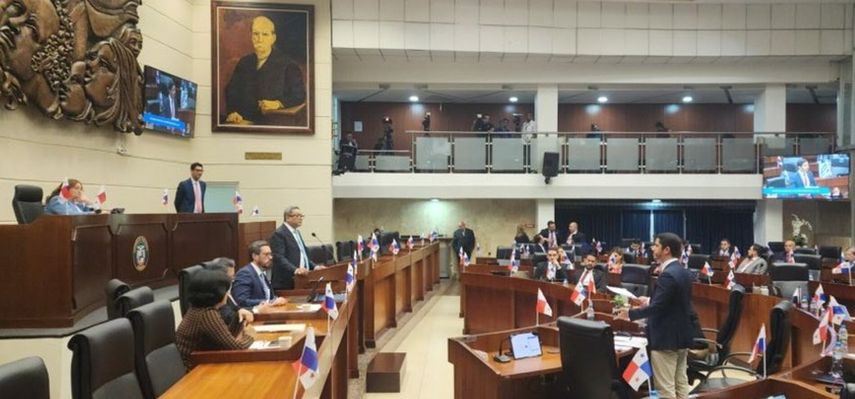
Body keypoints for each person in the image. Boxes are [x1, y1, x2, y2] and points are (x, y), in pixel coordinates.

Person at [617, 233, 694, 399]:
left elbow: (658, 308)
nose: (653, 248)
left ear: (666, 250)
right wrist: (651, 299)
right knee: (680, 383)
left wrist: (629, 314)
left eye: (656, 245)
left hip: (666, 338)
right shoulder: (683, 271)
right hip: (681, 335)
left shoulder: (667, 274)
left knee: (665, 389)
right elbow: (673, 301)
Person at [224, 16, 306, 125]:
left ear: (273, 38)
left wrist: (278, 103)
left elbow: (298, 95)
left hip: (270, 124)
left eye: (265, 34)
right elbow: (231, 91)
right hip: (241, 122)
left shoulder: (289, 65)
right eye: (256, 34)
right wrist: (232, 112)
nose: (259, 39)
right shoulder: (244, 62)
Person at [175, 269, 254, 370]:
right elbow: (237, 348)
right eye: (226, 291)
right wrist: (250, 336)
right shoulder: (207, 314)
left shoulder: (198, 309)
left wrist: (238, 320)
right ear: (217, 293)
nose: (227, 295)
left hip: (203, 364)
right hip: (195, 372)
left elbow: (224, 339)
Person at [269, 206, 324, 290]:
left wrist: (315, 267)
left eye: (302, 216)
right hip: (287, 281)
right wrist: (295, 270)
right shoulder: (279, 234)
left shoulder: (296, 232)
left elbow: (303, 255)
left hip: (301, 279)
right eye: (298, 216)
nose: (301, 218)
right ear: (288, 217)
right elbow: (279, 257)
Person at [203, 257, 255, 335]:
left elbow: (236, 309)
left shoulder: (225, 291)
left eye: (233, 276)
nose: (232, 280)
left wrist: (251, 311)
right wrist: (250, 335)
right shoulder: (212, 296)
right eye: (230, 277)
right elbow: (228, 316)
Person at [232, 240, 288, 308]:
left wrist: (276, 300)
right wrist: (270, 302)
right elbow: (242, 301)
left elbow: (269, 296)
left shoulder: (262, 274)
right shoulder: (245, 273)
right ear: (254, 256)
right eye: (266, 254)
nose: (271, 257)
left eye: (270, 254)